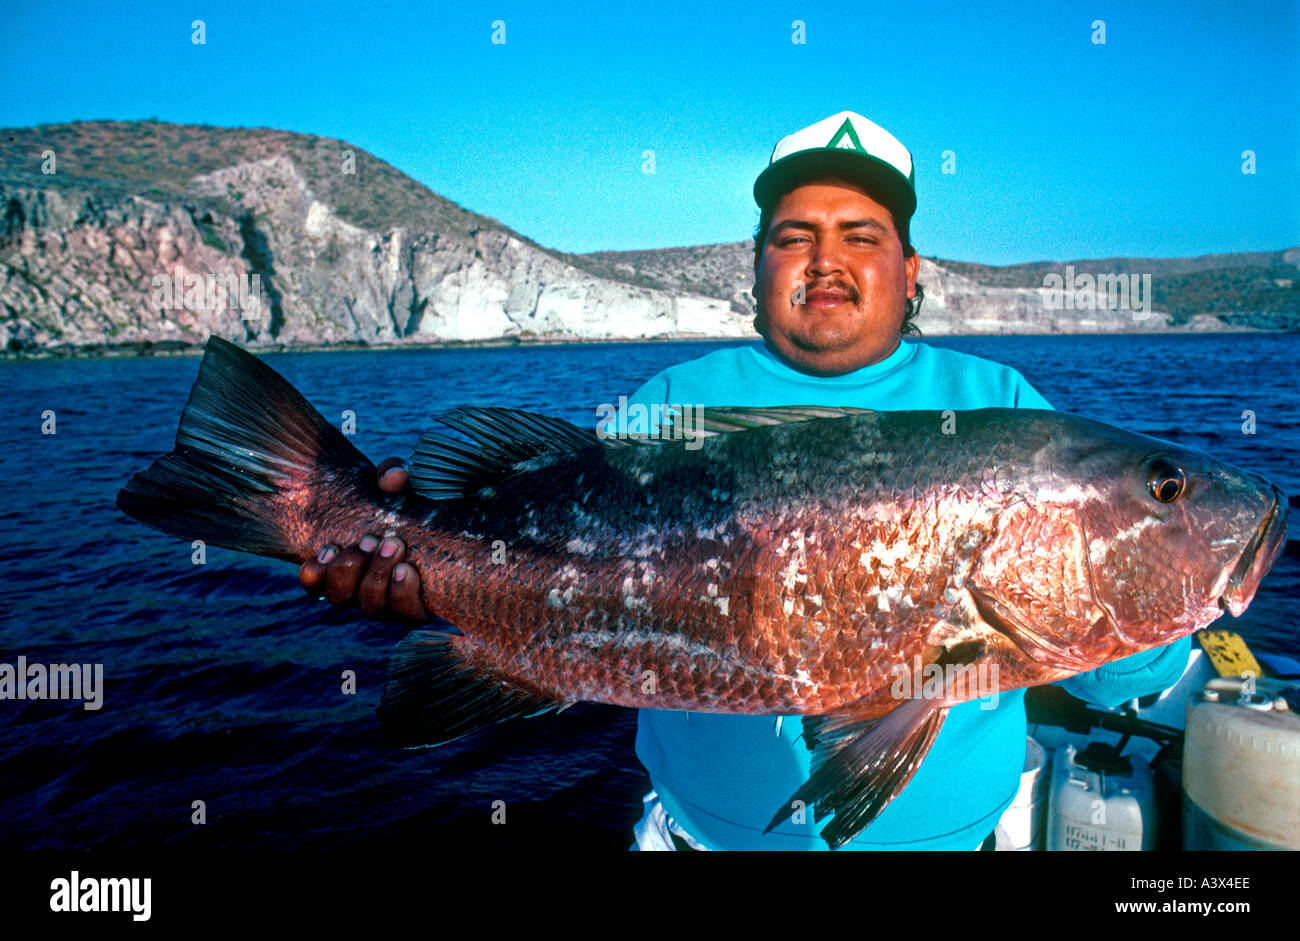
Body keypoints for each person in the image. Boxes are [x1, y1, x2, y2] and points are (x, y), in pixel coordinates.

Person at [299, 110, 1191, 850]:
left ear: (911, 270)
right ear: (757, 265)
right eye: (793, 236)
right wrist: (426, 571)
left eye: (862, 235)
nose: (825, 258)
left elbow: (1116, 678)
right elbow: (544, 545)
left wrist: (1175, 591)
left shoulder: (1001, 403)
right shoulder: (671, 402)